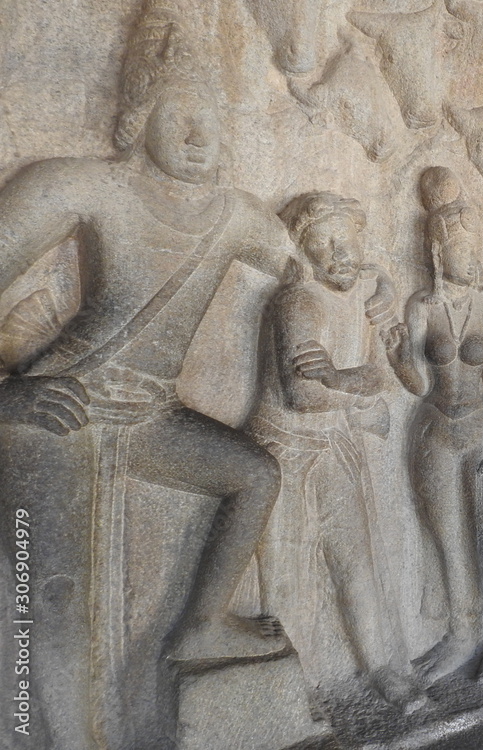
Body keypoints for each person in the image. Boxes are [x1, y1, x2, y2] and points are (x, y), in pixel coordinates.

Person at [0, 8, 294, 746]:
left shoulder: (233, 216)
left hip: (148, 417)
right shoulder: (79, 187)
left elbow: (305, 269)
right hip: (57, 413)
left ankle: (198, 628)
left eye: (214, 119)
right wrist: (13, 393)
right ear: (140, 115)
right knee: (54, 597)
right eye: (182, 115)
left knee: (252, 475)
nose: (201, 137)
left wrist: (367, 299)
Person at [248, 192, 426, 713]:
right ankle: (290, 688)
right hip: (285, 447)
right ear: (306, 252)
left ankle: (383, 669)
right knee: (282, 576)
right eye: (324, 243)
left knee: (356, 562)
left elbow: (378, 374)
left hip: (334, 444)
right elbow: (302, 394)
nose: (339, 252)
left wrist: (345, 380)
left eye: (347, 240)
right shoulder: (298, 302)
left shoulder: (364, 300)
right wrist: (360, 397)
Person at [384, 166, 483, 685]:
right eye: (460, 250)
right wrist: (398, 360)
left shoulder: (481, 307)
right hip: (436, 428)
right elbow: (416, 382)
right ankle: (462, 634)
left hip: (481, 430)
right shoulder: (422, 305)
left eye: (473, 248)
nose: (471, 258)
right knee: (449, 540)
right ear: (438, 255)